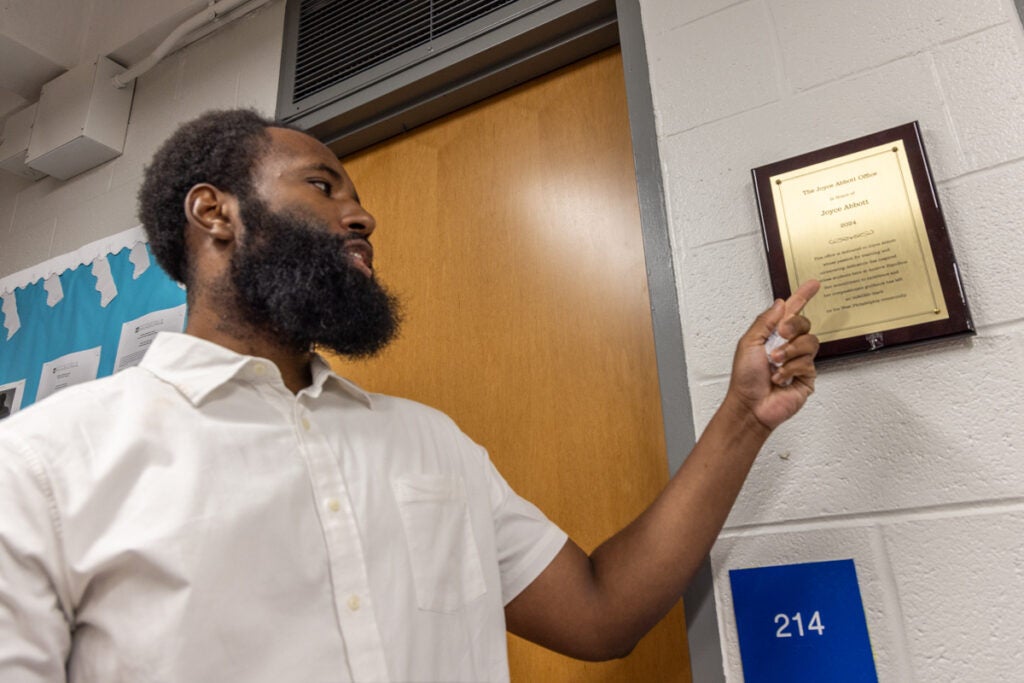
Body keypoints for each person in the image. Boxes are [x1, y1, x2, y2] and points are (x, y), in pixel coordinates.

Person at [0, 109, 820, 682]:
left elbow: (603, 612)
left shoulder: (434, 446)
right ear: (215, 212)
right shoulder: (45, 463)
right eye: (325, 186)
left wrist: (742, 417)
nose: (364, 217)